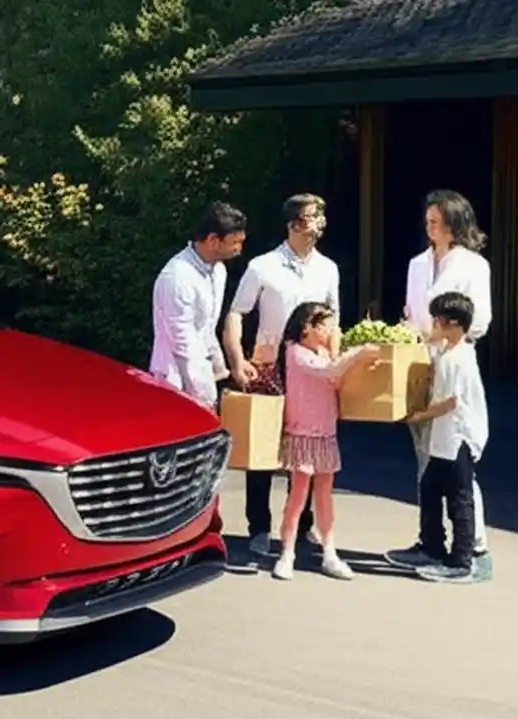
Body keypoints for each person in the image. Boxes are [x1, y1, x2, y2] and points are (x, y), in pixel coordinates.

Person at [223, 193, 340, 557]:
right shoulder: (263, 266)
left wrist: (334, 361)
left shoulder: (328, 268)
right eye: (312, 216)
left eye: (321, 216)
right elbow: (237, 313)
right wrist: (237, 359)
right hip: (269, 366)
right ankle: (259, 526)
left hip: (311, 370)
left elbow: (333, 320)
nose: (319, 223)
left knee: (307, 448)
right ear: (293, 224)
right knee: (263, 448)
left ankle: (302, 525)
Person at [384, 190, 493, 578]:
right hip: (419, 362)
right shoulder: (417, 264)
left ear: (454, 224)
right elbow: (411, 312)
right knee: (426, 459)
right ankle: (430, 541)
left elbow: (480, 320)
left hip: (451, 359)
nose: (429, 226)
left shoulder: (473, 265)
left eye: (437, 220)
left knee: (458, 464)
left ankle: (474, 545)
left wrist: (442, 335)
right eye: (428, 220)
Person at [269, 301, 380, 581]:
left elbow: (336, 377)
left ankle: (329, 553)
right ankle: (287, 553)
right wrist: (356, 353)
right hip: (302, 432)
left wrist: (352, 360)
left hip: (326, 432)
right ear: (308, 327)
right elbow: (329, 372)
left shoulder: (322, 353)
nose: (331, 331)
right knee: (297, 497)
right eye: (326, 326)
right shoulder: (295, 352)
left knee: (324, 496)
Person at [399, 292, 489, 584]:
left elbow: (451, 402)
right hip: (445, 437)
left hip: (458, 438)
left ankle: (461, 561)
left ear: (452, 324)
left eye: (437, 320)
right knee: (430, 487)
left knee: (459, 498)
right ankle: (432, 547)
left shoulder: (458, 359)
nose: (432, 325)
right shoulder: (450, 352)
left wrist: (419, 416)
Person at [149, 201, 247, 409]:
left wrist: (220, 369)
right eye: (235, 242)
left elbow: (207, 328)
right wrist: (204, 394)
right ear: (213, 240)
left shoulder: (218, 271)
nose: (239, 249)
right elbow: (183, 343)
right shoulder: (177, 277)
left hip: (203, 374)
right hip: (174, 378)